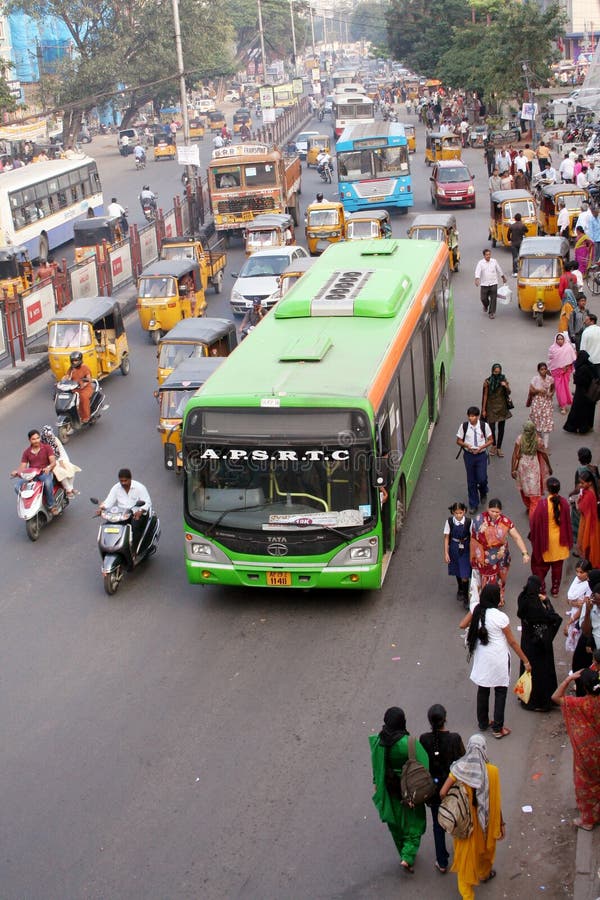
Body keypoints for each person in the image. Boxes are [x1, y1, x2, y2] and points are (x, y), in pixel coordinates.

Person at [462, 584, 531, 738]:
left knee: (483, 689)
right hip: (499, 658)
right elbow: (512, 642)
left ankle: (483, 722)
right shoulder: (501, 617)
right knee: (500, 691)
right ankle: (498, 728)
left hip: (482, 658)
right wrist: (525, 660)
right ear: (496, 597)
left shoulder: (476, 610)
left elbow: (462, 625)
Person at [439, 735, 504, 899]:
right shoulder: (493, 772)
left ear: (468, 748)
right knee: (485, 852)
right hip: (485, 825)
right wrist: (501, 824)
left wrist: (456, 804)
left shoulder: (459, 770)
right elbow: (495, 802)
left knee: (465, 860)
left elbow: (442, 793)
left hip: (465, 825)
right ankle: (484, 874)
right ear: (484, 750)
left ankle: (468, 895)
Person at [369, 707, 429, 874]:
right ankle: (408, 856)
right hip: (409, 790)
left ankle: (402, 851)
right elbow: (424, 764)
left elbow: (376, 765)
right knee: (414, 822)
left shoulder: (379, 742)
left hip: (389, 790)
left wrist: (376, 781)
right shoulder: (408, 743)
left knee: (395, 824)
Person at [551, 667, 600, 831]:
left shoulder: (579, 704)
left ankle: (587, 820)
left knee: (585, 784)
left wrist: (569, 679)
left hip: (587, 752)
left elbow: (555, 697)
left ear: (584, 688)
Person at [419, 705, 465, 875]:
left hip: (433, 792)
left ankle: (442, 861)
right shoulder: (455, 739)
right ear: (445, 718)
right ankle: (461, 857)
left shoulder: (424, 739)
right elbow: (463, 763)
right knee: (457, 823)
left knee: (438, 826)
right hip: (453, 791)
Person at [470, 499, 530, 599]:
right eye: (492, 511)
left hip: (502, 556)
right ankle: (486, 600)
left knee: (501, 579)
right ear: (487, 509)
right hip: (486, 558)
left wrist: (525, 553)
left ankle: (499, 597)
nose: (494, 514)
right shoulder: (479, 519)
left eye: (497, 512)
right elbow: (473, 538)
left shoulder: (505, 522)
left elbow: (516, 537)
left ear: (501, 511)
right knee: (488, 580)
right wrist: (480, 531)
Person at [529, 477, 573, 596]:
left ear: (547, 489)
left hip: (546, 542)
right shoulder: (564, 503)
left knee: (540, 567)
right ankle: (555, 590)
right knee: (557, 568)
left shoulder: (543, 504)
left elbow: (535, 522)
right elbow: (568, 522)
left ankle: (541, 589)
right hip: (560, 542)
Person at [98, 468, 152, 547]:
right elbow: (108, 502)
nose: (123, 483)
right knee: (109, 525)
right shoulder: (116, 488)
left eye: (125, 480)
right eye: (121, 481)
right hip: (123, 514)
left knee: (135, 526)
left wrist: (140, 511)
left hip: (137, 513)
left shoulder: (140, 487)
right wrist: (102, 508)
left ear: (130, 479)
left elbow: (147, 503)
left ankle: (135, 548)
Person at [510, 420, 552, 520]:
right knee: (534, 493)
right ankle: (533, 517)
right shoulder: (537, 440)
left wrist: (513, 469)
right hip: (534, 468)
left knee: (524, 488)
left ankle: (529, 505)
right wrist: (549, 467)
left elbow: (515, 455)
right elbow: (544, 454)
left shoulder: (520, 439)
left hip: (522, 467)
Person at [10, 429, 58, 514]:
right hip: (32, 475)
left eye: (38, 438)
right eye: (34, 439)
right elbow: (23, 467)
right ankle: (29, 503)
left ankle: (51, 505)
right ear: (30, 440)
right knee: (17, 486)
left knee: (47, 483)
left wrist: (49, 467)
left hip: (44, 473)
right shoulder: (26, 452)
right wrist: (17, 472)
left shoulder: (47, 448)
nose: (36, 440)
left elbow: (53, 462)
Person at [456, 406, 493, 515]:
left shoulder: (484, 426)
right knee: (471, 480)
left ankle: (483, 491)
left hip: (481, 455)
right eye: (469, 416)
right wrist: (466, 445)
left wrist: (482, 447)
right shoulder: (464, 426)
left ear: (477, 416)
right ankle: (473, 504)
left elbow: (491, 440)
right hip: (469, 455)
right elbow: (458, 441)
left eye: (473, 416)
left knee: (482, 478)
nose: (471, 418)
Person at [40, 425, 81, 499]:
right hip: (49, 464)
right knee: (61, 472)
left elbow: (61, 451)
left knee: (70, 468)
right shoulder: (41, 445)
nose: (49, 437)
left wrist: (63, 462)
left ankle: (71, 488)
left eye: (50, 435)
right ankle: (68, 491)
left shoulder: (55, 440)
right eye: (47, 436)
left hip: (59, 460)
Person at [444, 502, 472, 606]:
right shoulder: (449, 522)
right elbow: (446, 537)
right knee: (457, 570)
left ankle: (466, 597)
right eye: (456, 513)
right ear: (453, 512)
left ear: (464, 511)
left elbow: (472, 537)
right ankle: (460, 588)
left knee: (465, 573)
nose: (458, 515)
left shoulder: (469, 522)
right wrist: (446, 553)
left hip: (465, 548)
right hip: (454, 548)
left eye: (460, 513)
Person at [481, 363, 511, 456]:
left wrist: (505, 386)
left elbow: (509, 392)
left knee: (501, 428)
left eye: (498, 372)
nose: (497, 373)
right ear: (492, 371)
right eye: (495, 372)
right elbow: (485, 396)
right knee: (492, 428)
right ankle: (493, 445)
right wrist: (483, 410)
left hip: (502, 407)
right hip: (491, 407)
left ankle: (499, 447)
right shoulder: (488, 381)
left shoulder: (504, 379)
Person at [564, 350, 597, 434]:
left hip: (581, 394)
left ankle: (574, 427)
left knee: (577, 411)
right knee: (588, 411)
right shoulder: (590, 366)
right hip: (590, 393)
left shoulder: (581, 368)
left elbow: (578, 381)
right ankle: (586, 427)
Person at [569, 449, 599, 543]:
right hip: (595, 497)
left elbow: (578, 488)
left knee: (578, 519)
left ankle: (579, 540)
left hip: (585, 499)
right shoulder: (595, 468)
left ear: (579, 459)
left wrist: (571, 494)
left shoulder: (580, 471)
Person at [527, 362, 555, 448]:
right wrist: (539, 390)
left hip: (547, 402)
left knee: (547, 422)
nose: (543, 371)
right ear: (538, 371)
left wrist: (551, 394)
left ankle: (545, 445)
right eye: (541, 369)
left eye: (545, 369)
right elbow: (531, 390)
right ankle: (539, 442)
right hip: (537, 402)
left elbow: (553, 389)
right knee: (537, 422)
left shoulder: (550, 379)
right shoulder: (535, 379)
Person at [548, 333, 577, 414]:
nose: (560, 340)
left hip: (566, 372)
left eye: (561, 339)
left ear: (564, 339)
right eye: (558, 339)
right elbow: (551, 360)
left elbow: (573, 359)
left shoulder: (568, 348)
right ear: (555, 340)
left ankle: (564, 403)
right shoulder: (552, 348)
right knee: (559, 389)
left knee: (565, 388)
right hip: (556, 372)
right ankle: (563, 405)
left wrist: (567, 367)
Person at [474, 249, 506, 320]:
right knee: (483, 298)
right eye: (487, 255)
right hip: (484, 284)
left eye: (489, 254)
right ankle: (486, 305)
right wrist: (477, 279)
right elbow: (477, 271)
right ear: (484, 255)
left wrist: (503, 277)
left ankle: (491, 313)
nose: (488, 256)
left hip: (493, 283)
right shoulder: (480, 263)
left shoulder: (494, 261)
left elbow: (499, 269)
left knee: (493, 298)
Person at [577, 471, 600, 566]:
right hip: (591, 521)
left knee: (587, 543)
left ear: (589, 483)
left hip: (588, 523)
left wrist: (578, 501)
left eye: (582, 483)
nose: (580, 485)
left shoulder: (589, 495)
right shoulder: (591, 491)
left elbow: (581, 508)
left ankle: (589, 563)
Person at [66, 351, 93, 424]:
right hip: (74, 388)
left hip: (85, 388)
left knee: (83, 397)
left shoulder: (85, 368)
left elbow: (88, 378)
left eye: (76, 360)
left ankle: (86, 417)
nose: (74, 362)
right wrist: (61, 382)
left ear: (80, 360)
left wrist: (83, 384)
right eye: (73, 361)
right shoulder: (71, 369)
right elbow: (66, 377)